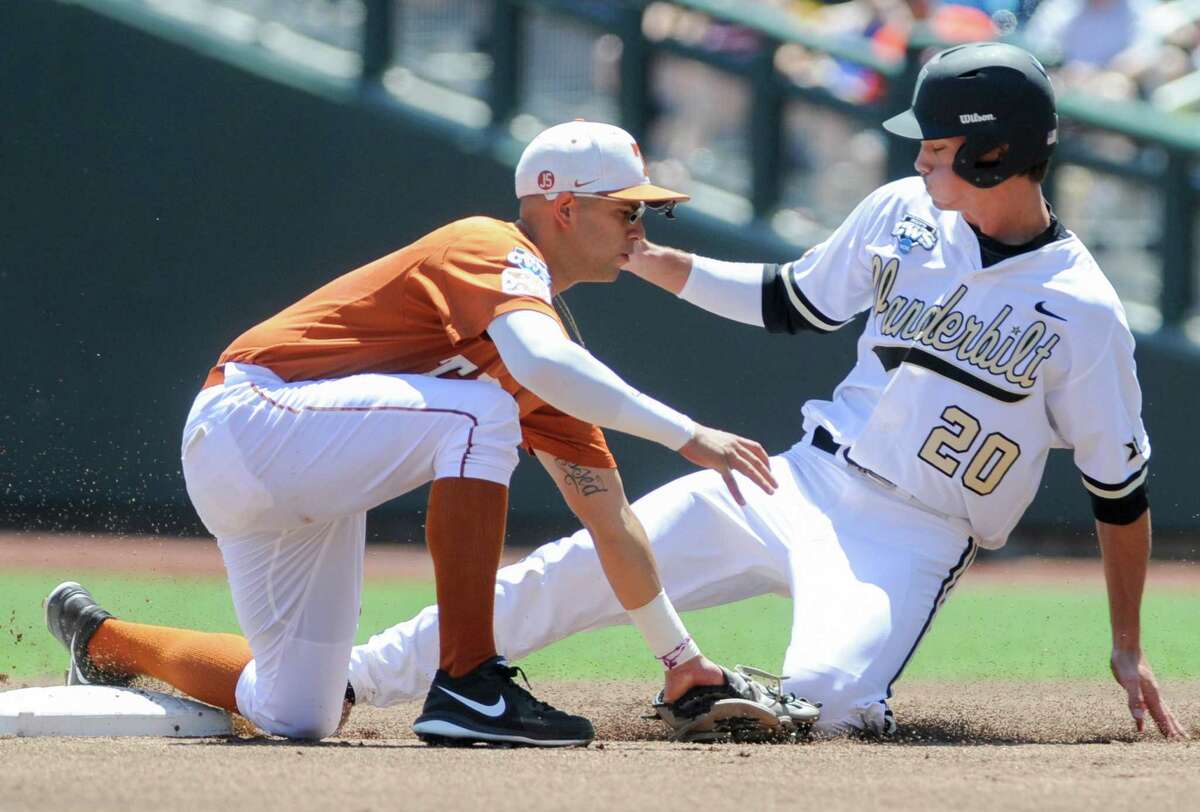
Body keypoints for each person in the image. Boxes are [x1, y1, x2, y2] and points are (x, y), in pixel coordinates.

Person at [341, 43, 1187, 739]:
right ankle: (354, 678)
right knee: (570, 569)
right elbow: (790, 300)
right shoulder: (902, 210)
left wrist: (1127, 643)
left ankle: (747, 696)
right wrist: (648, 259)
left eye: (935, 146)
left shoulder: (1083, 310)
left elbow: (1119, 491)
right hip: (797, 480)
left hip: (915, 536)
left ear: (991, 153)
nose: (918, 158)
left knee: (834, 706)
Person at [43, 120, 793, 747]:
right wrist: (687, 433)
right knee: (481, 413)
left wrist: (680, 659)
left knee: (300, 711)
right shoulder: (490, 247)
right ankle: (468, 681)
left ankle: (103, 642)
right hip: (249, 419)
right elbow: (538, 362)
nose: (639, 228)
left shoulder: (551, 358)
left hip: (299, 475)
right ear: (563, 207)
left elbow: (609, 518)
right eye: (626, 210)